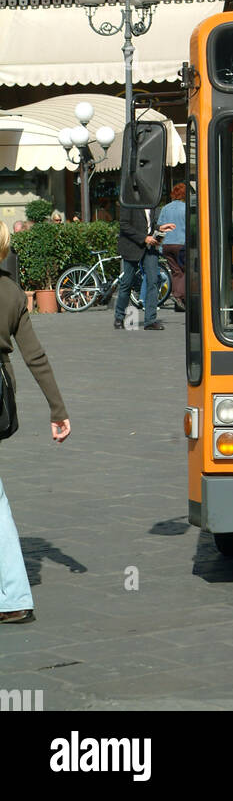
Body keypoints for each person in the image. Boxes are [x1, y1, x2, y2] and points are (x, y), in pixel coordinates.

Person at [0, 221, 70, 624]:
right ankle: (13, 595)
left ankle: (14, 595)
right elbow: (35, 357)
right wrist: (57, 411)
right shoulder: (11, 293)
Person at [115, 202, 175, 332]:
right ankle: (119, 317)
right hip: (132, 247)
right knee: (127, 282)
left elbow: (149, 226)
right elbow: (124, 225)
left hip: (150, 248)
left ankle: (150, 321)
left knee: (153, 281)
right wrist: (144, 238)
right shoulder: (129, 202)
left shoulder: (151, 203)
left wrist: (160, 228)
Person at [158, 183, 186, 312]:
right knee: (186, 271)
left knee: (176, 272)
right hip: (181, 243)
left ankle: (179, 298)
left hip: (166, 245)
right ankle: (179, 296)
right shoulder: (186, 208)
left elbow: (159, 227)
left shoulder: (165, 208)